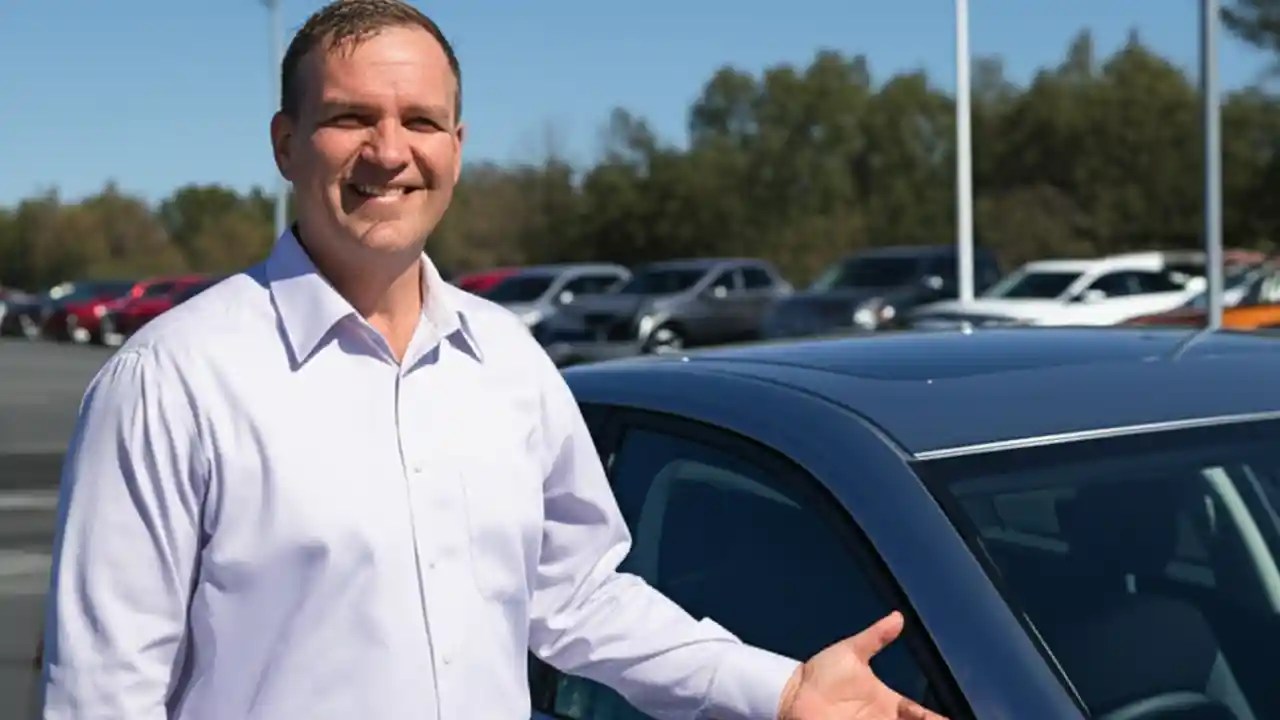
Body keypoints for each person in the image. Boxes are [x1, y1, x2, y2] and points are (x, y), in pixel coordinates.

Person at [37, 1, 948, 718]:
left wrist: (780, 692)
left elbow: (581, 599)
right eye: (350, 117)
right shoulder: (171, 380)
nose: (388, 153)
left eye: (420, 121)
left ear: (458, 149)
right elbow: (101, 694)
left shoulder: (508, 363)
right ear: (284, 143)